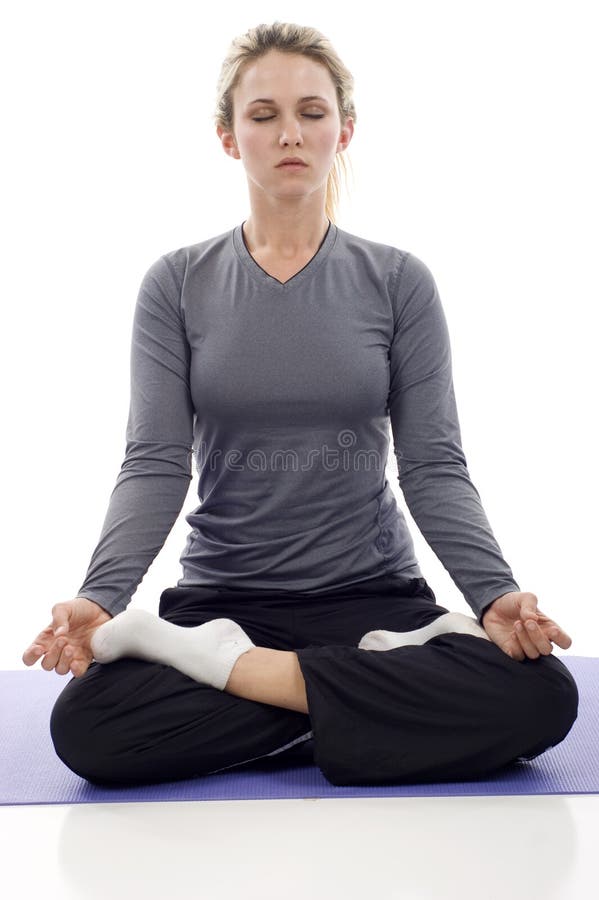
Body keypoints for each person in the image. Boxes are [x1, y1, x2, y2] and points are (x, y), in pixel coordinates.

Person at [22, 21, 578, 787]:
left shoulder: (397, 281)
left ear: (343, 130)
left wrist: (493, 593)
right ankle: (351, 705)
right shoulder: (176, 284)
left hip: (373, 601)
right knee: (87, 731)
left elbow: (432, 463)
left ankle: (246, 681)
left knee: (543, 698)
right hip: (225, 599)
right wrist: (101, 595)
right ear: (228, 138)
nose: (290, 133)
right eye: (263, 115)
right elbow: (153, 462)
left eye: (311, 113)